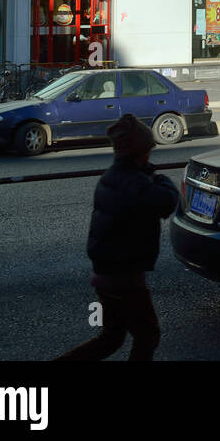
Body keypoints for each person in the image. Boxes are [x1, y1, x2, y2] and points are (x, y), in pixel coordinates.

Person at [57, 114, 178, 361]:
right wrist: (158, 176)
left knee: (111, 338)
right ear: (140, 152)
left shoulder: (113, 176)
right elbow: (167, 202)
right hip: (124, 278)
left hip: (105, 274)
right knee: (147, 335)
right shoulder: (135, 183)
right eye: (149, 148)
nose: (151, 153)